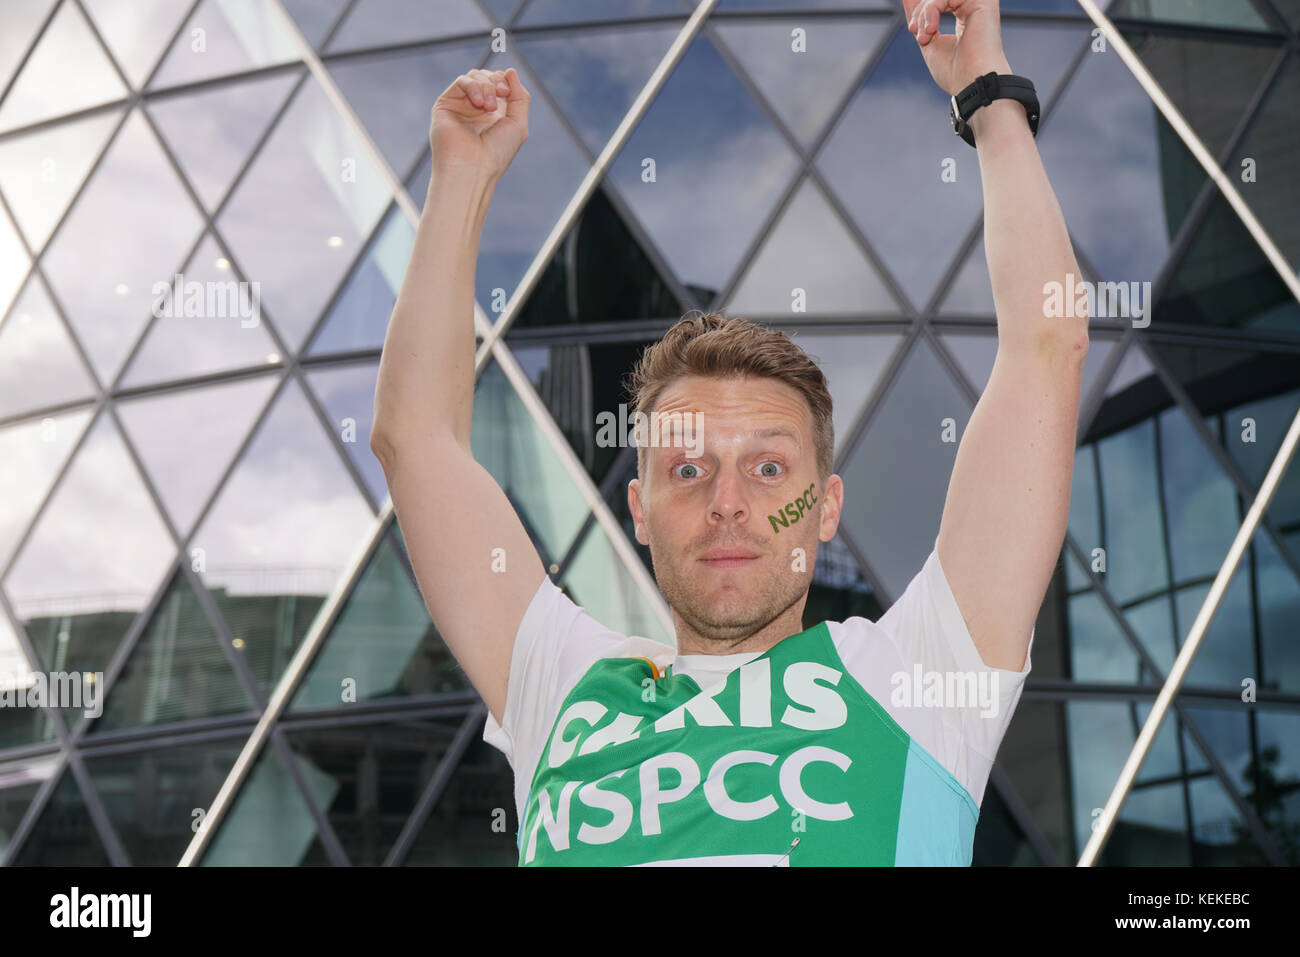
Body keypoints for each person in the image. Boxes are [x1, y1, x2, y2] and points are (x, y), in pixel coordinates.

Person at [370, 0, 1088, 865]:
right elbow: (416, 440)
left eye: (770, 468)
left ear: (824, 508)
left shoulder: (920, 679)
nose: (729, 504)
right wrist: (461, 178)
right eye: (688, 470)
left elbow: (1047, 347)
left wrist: (987, 91)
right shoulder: (561, 686)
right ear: (636, 507)